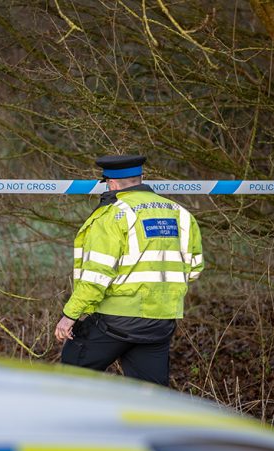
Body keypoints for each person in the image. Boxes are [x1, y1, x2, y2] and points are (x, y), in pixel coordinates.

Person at [54, 155, 204, 386]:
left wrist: (69, 316)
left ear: (111, 184)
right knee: (151, 395)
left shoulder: (113, 216)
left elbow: (96, 277)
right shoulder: (180, 213)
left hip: (117, 321)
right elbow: (194, 269)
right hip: (161, 321)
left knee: (70, 376)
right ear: (142, 178)